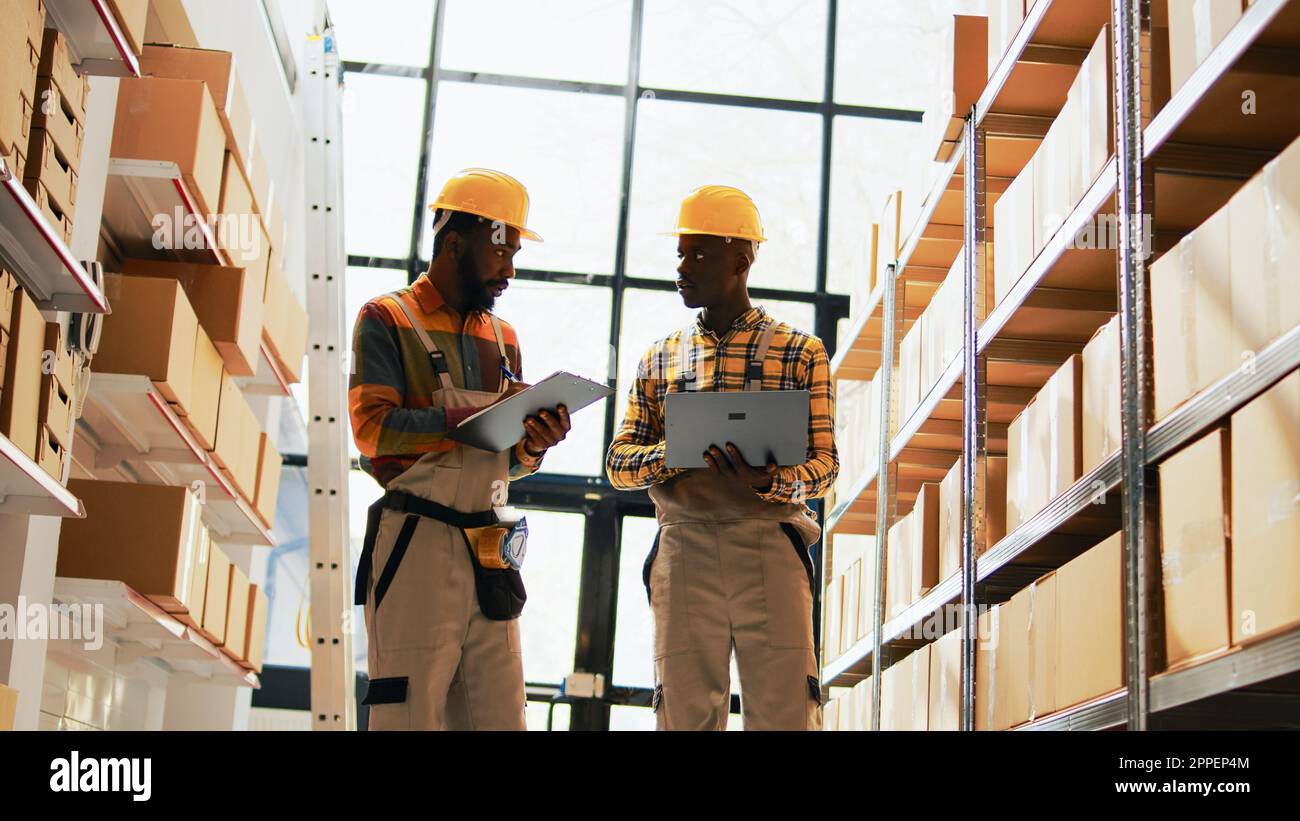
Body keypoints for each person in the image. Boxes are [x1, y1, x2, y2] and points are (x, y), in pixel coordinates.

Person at [606, 184, 838, 731]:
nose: (682, 267)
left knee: (785, 713)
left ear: (742, 260)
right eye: (680, 253)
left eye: (699, 254)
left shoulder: (802, 353)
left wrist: (772, 482)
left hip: (770, 545)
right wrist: (675, 455)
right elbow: (618, 464)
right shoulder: (658, 357)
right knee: (684, 714)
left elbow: (826, 469)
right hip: (683, 547)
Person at [349, 168, 571, 730]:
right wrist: (469, 417)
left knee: (497, 715)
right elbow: (372, 430)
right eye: (502, 255)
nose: (510, 271)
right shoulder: (386, 318)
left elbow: (508, 460)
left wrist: (533, 444)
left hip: (490, 548)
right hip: (418, 540)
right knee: (409, 713)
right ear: (454, 244)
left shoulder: (504, 339)